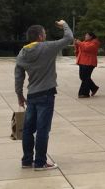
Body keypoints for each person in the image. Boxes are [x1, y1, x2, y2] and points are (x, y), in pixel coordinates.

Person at [14, 20, 73, 171]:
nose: (45, 36)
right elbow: (68, 38)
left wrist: (20, 96)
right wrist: (64, 24)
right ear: (40, 36)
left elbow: (18, 77)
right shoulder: (47, 47)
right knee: (42, 130)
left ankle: (27, 161)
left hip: (31, 95)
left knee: (28, 129)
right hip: (46, 94)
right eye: (45, 34)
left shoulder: (22, 53)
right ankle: (40, 162)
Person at [74, 32, 101, 98]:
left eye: (87, 35)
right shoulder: (84, 42)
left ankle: (84, 93)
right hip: (82, 61)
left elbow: (87, 48)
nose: (85, 36)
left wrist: (79, 43)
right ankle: (94, 88)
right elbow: (80, 49)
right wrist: (76, 44)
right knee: (83, 77)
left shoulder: (95, 42)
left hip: (89, 62)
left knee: (85, 77)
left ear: (91, 36)